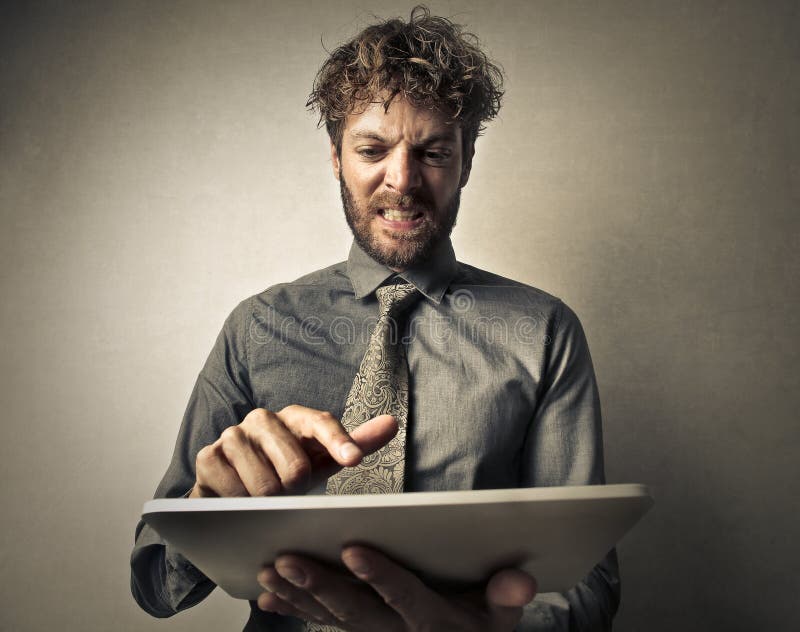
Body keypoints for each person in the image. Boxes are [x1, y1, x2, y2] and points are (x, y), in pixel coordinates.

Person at [130, 6, 620, 631]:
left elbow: (585, 584)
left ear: (466, 161)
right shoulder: (256, 327)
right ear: (336, 157)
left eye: (433, 151)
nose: (402, 180)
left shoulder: (544, 333)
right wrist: (208, 508)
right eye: (371, 149)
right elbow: (155, 585)